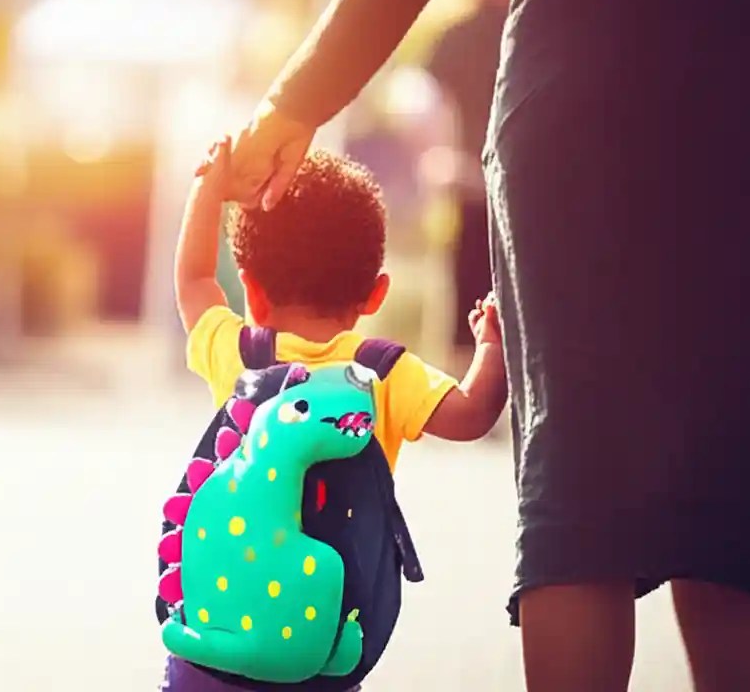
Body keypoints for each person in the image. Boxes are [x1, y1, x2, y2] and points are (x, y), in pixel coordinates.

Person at [223, 0, 750, 690]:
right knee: (731, 476)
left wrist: (292, 103)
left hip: (578, 90)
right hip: (745, 86)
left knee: (581, 483)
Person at [164, 135, 507, 690]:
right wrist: (493, 345)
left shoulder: (240, 354)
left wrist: (209, 187)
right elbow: (471, 415)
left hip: (216, 638)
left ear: (250, 291)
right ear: (375, 295)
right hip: (322, 644)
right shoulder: (382, 374)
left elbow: (194, 281)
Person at [425, 0, 510, 375]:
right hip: (478, 181)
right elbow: (438, 108)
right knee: (472, 283)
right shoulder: (457, 38)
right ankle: (471, 384)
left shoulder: (524, 27)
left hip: (502, 179)